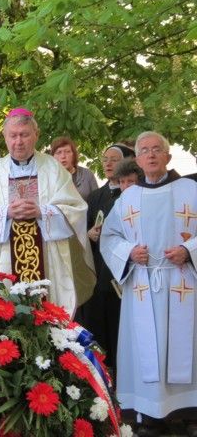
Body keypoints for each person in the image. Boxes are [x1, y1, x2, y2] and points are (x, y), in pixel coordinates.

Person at [100, 132, 197, 437]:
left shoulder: (191, 190)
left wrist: (190, 250)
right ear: (138, 160)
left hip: (182, 281)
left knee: (182, 346)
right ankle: (149, 416)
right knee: (147, 349)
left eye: (158, 150)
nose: (152, 155)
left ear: (168, 157)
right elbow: (110, 237)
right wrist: (130, 252)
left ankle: (189, 412)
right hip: (143, 283)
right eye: (145, 151)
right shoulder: (128, 196)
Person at [0, 108, 95, 315]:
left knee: (49, 313)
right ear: (4, 137)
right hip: (6, 257)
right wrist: (5, 212)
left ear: (36, 135)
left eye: (24, 134)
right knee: (6, 313)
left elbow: (75, 209)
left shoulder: (53, 168)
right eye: (13, 136)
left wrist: (43, 211)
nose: (18, 141)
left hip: (47, 256)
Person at [77, 143, 135, 371]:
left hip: (124, 273)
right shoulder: (95, 197)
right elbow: (84, 229)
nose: (109, 163)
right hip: (99, 272)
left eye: (114, 159)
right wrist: (89, 234)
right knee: (98, 326)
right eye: (105, 159)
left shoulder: (133, 194)